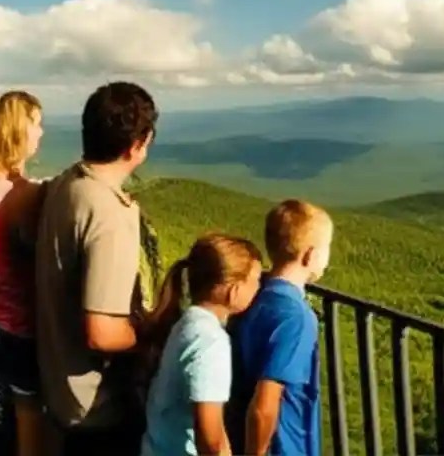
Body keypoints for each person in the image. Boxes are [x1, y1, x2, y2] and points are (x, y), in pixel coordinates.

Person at [36, 82, 158, 455]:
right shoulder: (108, 213)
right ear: (137, 146)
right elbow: (102, 333)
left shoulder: (65, 183)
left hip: (58, 390)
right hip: (98, 409)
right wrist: (153, 334)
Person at [141, 234, 263, 456]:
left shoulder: (188, 322)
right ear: (233, 290)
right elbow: (211, 439)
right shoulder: (210, 342)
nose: (258, 287)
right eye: (254, 280)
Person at [229, 200, 332, 456]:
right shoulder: (297, 318)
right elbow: (265, 405)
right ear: (311, 256)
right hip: (284, 447)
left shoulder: (254, 295)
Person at [0, 91, 46, 456]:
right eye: (36, 124)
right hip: (22, 324)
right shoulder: (25, 196)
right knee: (30, 413)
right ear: (18, 129)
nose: (41, 133)